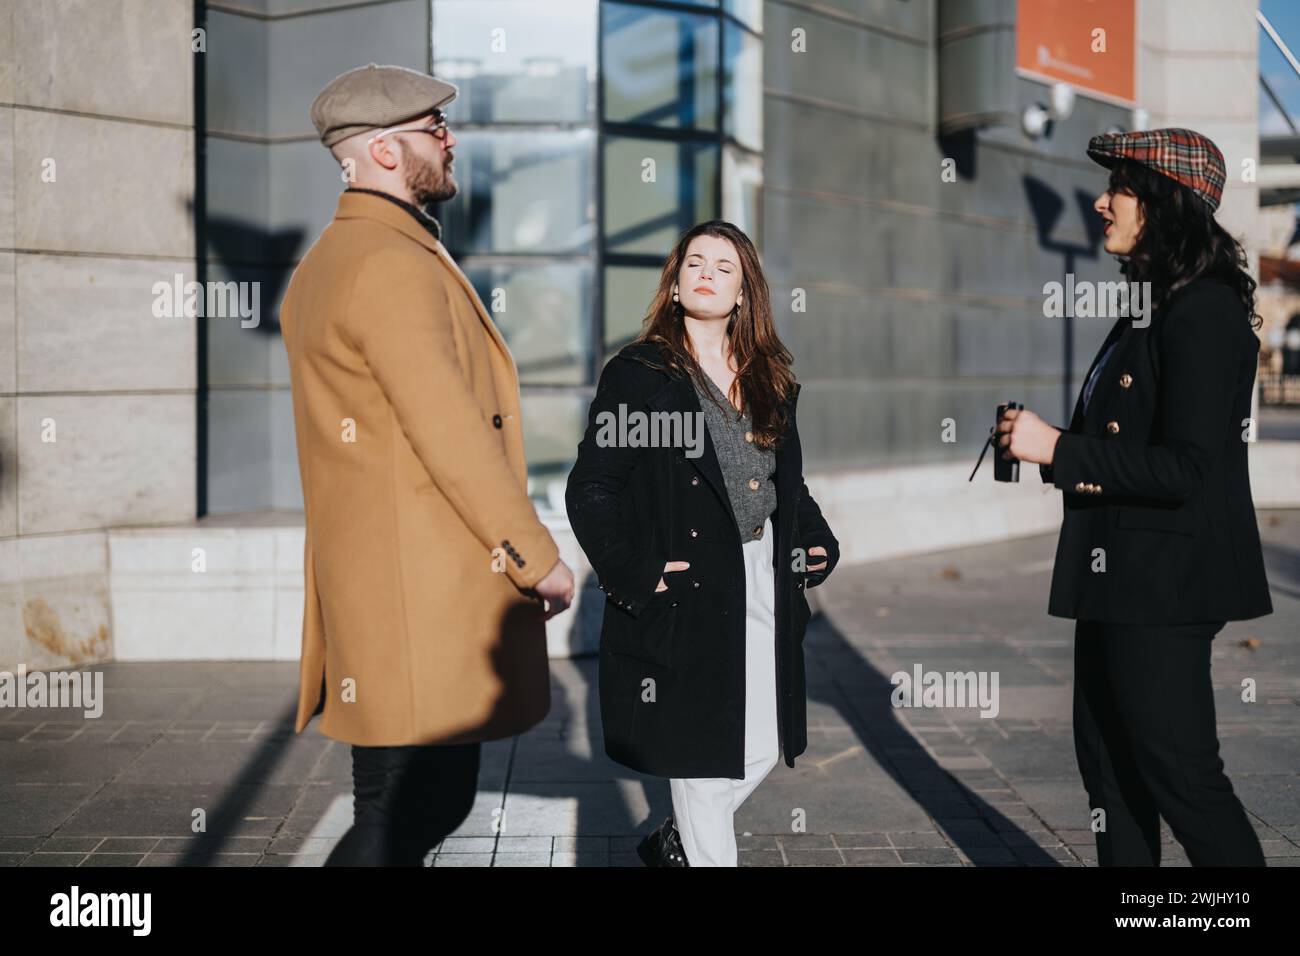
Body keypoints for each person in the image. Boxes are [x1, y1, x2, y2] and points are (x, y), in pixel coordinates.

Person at [280, 63, 574, 865]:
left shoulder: (336, 261)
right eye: (431, 130)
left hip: (390, 585)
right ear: (379, 151)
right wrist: (535, 555)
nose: (451, 140)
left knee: (411, 806)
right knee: (402, 809)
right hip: (413, 592)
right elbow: (446, 426)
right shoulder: (388, 264)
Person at [998, 128, 1272, 866]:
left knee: (1181, 777)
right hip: (1117, 578)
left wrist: (1057, 447)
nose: (1100, 201)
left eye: (1118, 187)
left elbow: (1186, 467)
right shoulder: (1154, 308)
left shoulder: (1204, 311)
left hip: (1164, 586)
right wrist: (1047, 449)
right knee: (1111, 777)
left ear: (1162, 202)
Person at [565, 220, 840, 866]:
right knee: (704, 770)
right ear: (676, 281)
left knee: (765, 744)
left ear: (745, 292)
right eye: (695, 262)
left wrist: (813, 538)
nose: (707, 273)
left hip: (762, 581)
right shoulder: (641, 376)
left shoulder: (771, 377)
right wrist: (639, 573)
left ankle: (673, 841)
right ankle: (695, 843)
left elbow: (786, 483)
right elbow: (593, 487)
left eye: (724, 265)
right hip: (685, 593)